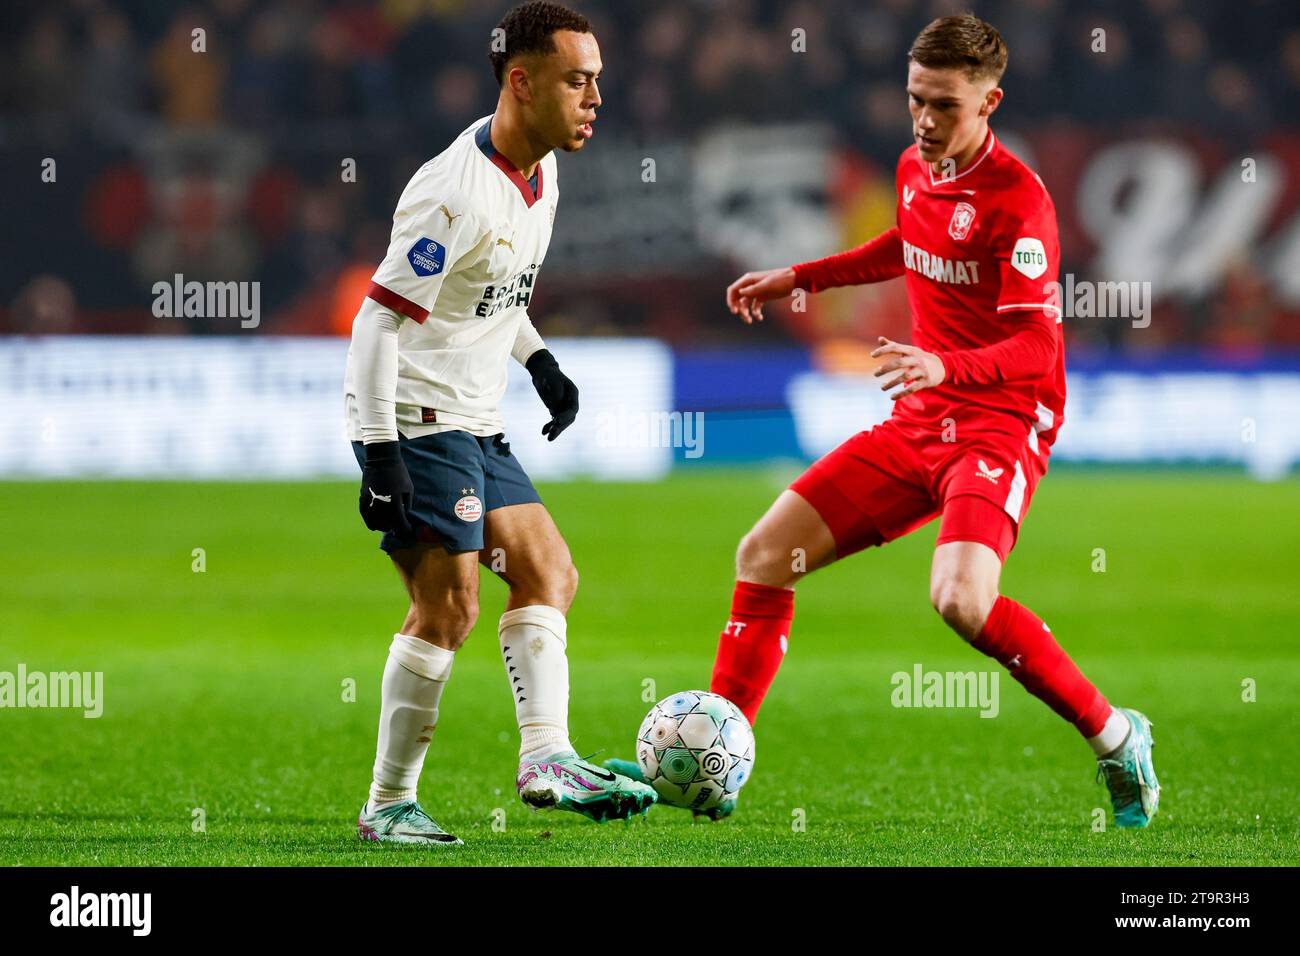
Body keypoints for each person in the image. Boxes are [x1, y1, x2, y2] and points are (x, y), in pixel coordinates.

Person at [610, 13, 1160, 829]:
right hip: (923, 416)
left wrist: (946, 365)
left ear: (990, 102)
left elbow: (1038, 343)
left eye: (944, 105)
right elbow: (904, 244)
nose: (925, 120)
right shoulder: (913, 165)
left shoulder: (1018, 201)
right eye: (915, 100)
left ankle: (1118, 738)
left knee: (962, 601)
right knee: (764, 554)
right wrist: (799, 277)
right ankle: (718, 752)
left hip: (999, 423)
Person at [345, 1, 655, 847]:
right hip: (417, 417)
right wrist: (378, 452)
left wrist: (539, 360)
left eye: (597, 81)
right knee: (448, 607)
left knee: (551, 572)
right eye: (576, 81)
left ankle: (547, 757)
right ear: (521, 82)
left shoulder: (543, 170)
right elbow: (377, 323)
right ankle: (387, 804)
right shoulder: (452, 196)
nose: (595, 98)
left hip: (478, 419)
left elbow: (495, 293)